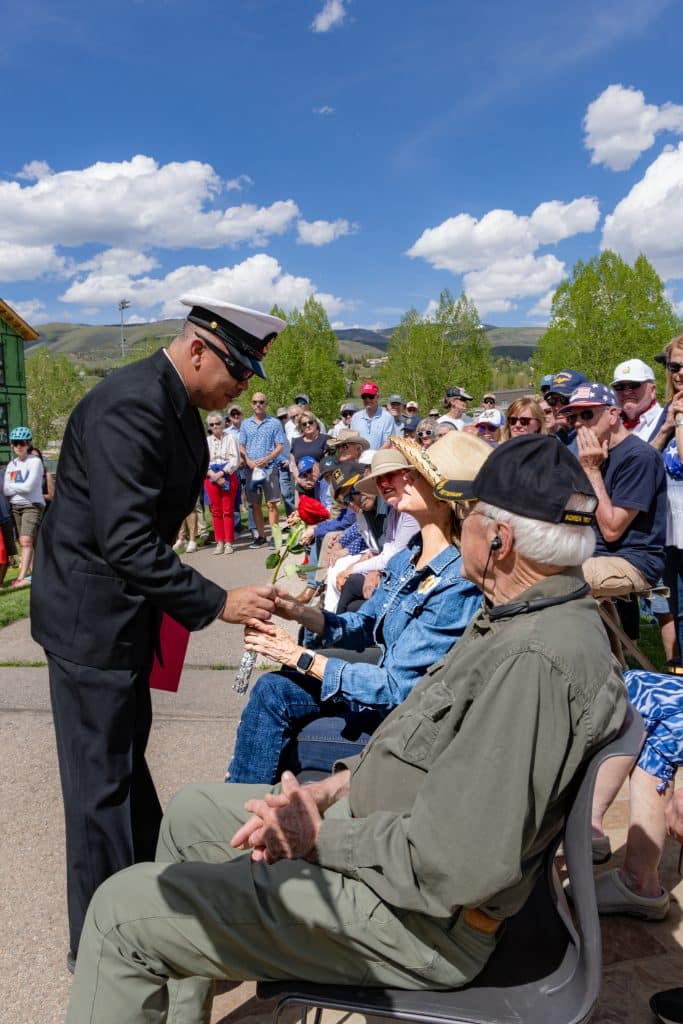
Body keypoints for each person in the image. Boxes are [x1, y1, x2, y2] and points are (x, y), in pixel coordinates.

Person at [65, 434, 628, 1024]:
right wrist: (330, 791)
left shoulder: (534, 661)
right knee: (188, 814)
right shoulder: (518, 616)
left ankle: (156, 942)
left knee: (117, 915)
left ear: (498, 540)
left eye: (470, 516)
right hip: (387, 841)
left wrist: (315, 839)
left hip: (415, 921)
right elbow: (417, 735)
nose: (461, 526)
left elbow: (455, 866)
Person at [30, 295, 282, 968]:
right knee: (100, 792)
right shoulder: (132, 405)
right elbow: (127, 543)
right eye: (237, 369)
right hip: (90, 625)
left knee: (121, 771)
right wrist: (218, 602)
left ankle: (144, 912)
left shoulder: (175, 405)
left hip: (124, 619)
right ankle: (103, 956)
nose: (242, 385)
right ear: (198, 349)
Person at [227, 431, 488, 784]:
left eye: (415, 473)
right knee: (273, 689)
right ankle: (244, 800)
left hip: (407, 726)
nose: (399, 479)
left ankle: (243, 804)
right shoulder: (411, 555)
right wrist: (297, 611)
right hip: (383, 698)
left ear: (447, 494)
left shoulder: (457, 579)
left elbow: (395, 688)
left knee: (281, 734)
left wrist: (298, 656)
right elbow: (364, 625)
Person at [561, 382, 667, 603]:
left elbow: (612, 530)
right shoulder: (589, 456)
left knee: (557, 583)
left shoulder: (639, 457)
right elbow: (574, 520)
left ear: (611, 415)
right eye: (573, 418)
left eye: (587, 414)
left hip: (632, 559)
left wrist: (592, 472)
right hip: (591, 553)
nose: (578, 423)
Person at [239, 391, 287, 548]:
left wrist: (267, 459)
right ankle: (261, 536)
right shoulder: (245, 424)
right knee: (255, 504)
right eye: (255, 402)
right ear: (251, 404)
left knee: (272, 504)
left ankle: (274, 537)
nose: (258, 405)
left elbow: (280, 446)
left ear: (266, 404)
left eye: (261, 402)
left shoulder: (274, 423)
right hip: (251, 470)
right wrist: (248, 461)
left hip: (269, 468)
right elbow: (241, 446)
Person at [3, 425, 44, 587]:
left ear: (28, 444)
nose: (18, 446)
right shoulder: (12, 464)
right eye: (15, 443)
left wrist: (13, 486)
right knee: (25, 542)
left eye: (22, 443)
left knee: (26, 540)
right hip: (15, 506)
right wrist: (18, 487)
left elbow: (29, 487)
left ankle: (20, 578)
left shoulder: (35, 462)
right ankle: (34, 573)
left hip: (32, 505)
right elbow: (6, 490)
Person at [205, 411, 240, 554]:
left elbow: (235, 459)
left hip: (227, 474)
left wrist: (221, 473)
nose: (215, 426)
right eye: (212, 424)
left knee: (228, 510)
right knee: (216, 511)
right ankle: (219, 542)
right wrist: (212, 474)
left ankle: (229, 543)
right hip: (210, 476)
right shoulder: (207, 441)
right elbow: (203, 460)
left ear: (223, 423)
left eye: (217, 423)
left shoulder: (230, 438)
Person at [611, 358, 664, 441]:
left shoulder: (666, 420)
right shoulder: (609, 424)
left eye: (634, 385)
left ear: (652, 390)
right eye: (619, 387)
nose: (626, 392)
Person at [350, 380, 399, 447]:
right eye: (364, 397)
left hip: (381, 453)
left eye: (371, 396)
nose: (367, 400)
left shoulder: (387, 418)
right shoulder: (356, 418)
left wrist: (375, 454)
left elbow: (389, 441)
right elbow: (352, 441)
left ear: (377, 397)